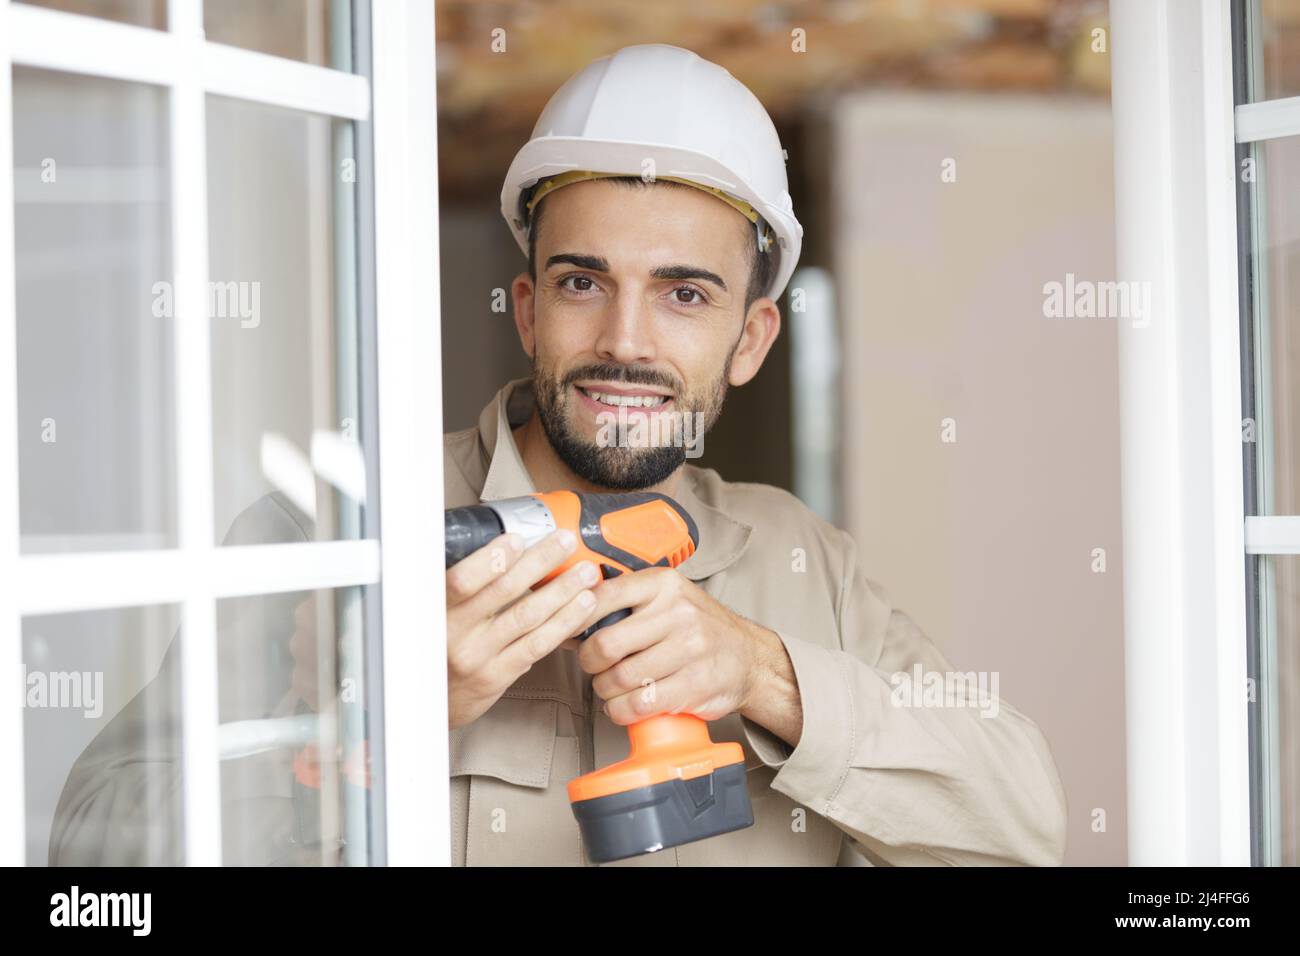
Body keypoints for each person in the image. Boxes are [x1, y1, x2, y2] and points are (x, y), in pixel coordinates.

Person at [443, 44, 1068, 865]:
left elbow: (1023, 831)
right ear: (528, 313)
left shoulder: (805, 563)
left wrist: (763, 675)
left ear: (751, 341)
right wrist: (388, 718)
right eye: (583, 283)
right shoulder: (360, 538)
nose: (625, 343)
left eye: (685, 294)